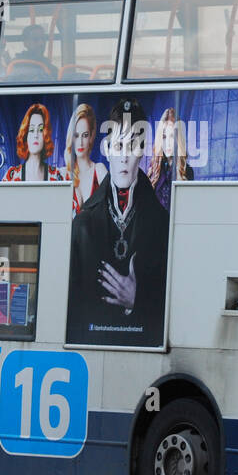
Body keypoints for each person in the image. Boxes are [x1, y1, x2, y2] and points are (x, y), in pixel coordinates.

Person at [65, 97, 169, 348]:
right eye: (118, 145)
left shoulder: (163, 225)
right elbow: (72, 306)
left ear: (142, 151)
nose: (124, 157)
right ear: (107, 148)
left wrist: (138, 299)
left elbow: (177, 301)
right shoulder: (83, 224)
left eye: (132, 146)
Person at [2, 103, 67, 182]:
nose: (36, 135)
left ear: (45, 135)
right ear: (25, 135)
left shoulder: (57, 176)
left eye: (40, 130)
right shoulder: (11, 176)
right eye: (31, 130)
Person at [65, 103, 108, 215]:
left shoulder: (99, 170)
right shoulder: (64, 173)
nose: (80, 142)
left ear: (91, 136)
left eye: (85, 135)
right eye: (76, 135)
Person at [149, 107, 194, 210]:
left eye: (172, 136)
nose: (168, 143)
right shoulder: (154, 171)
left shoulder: (187, 171)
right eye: (164, 137)